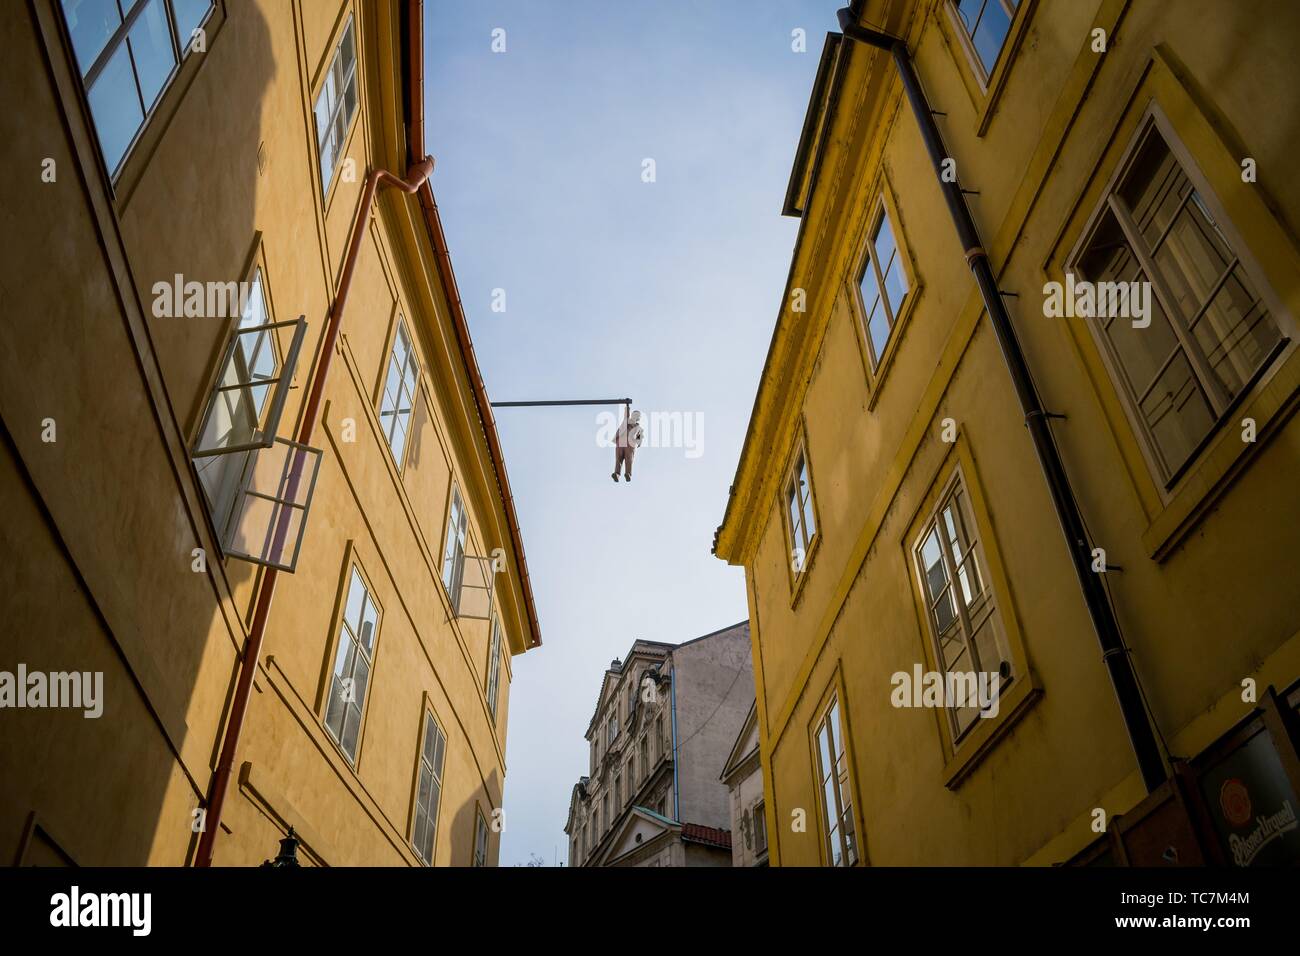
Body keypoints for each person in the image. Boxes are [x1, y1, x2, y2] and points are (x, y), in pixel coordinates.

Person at [612, 408, 643, 482]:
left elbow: (639, 437)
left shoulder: (639, 428)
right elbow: (626, 414)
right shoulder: (626, 421)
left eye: (637, 415)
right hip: (621, 442)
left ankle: (628, 473)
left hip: (630, 444)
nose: (635, 416)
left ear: (638, 418)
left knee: (629, 459)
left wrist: (638, 442)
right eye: (634, 414)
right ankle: (617, 474)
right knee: (618, 459)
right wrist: (627, 405)